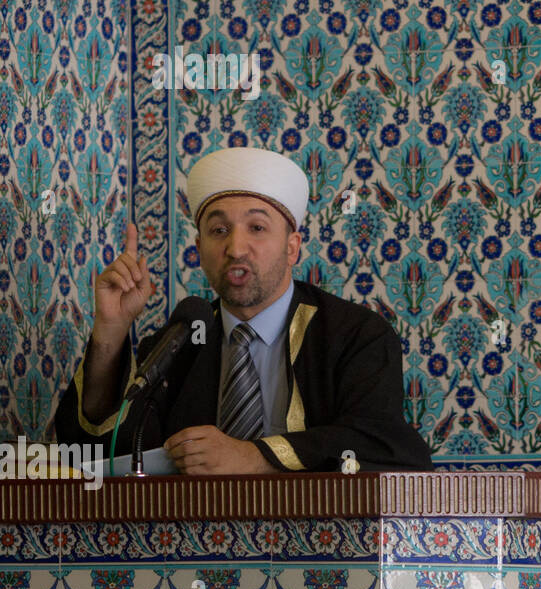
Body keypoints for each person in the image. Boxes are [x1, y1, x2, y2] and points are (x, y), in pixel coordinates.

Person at [54, 146, 431, 474]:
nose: (236, 248)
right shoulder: (178, 343)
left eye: (257, 228)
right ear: (200, 249)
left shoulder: (355, 336)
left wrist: (253, 457)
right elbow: (101, 452)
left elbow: (385, 447)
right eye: (219, 231)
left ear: (292, 247)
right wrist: (111, 331)